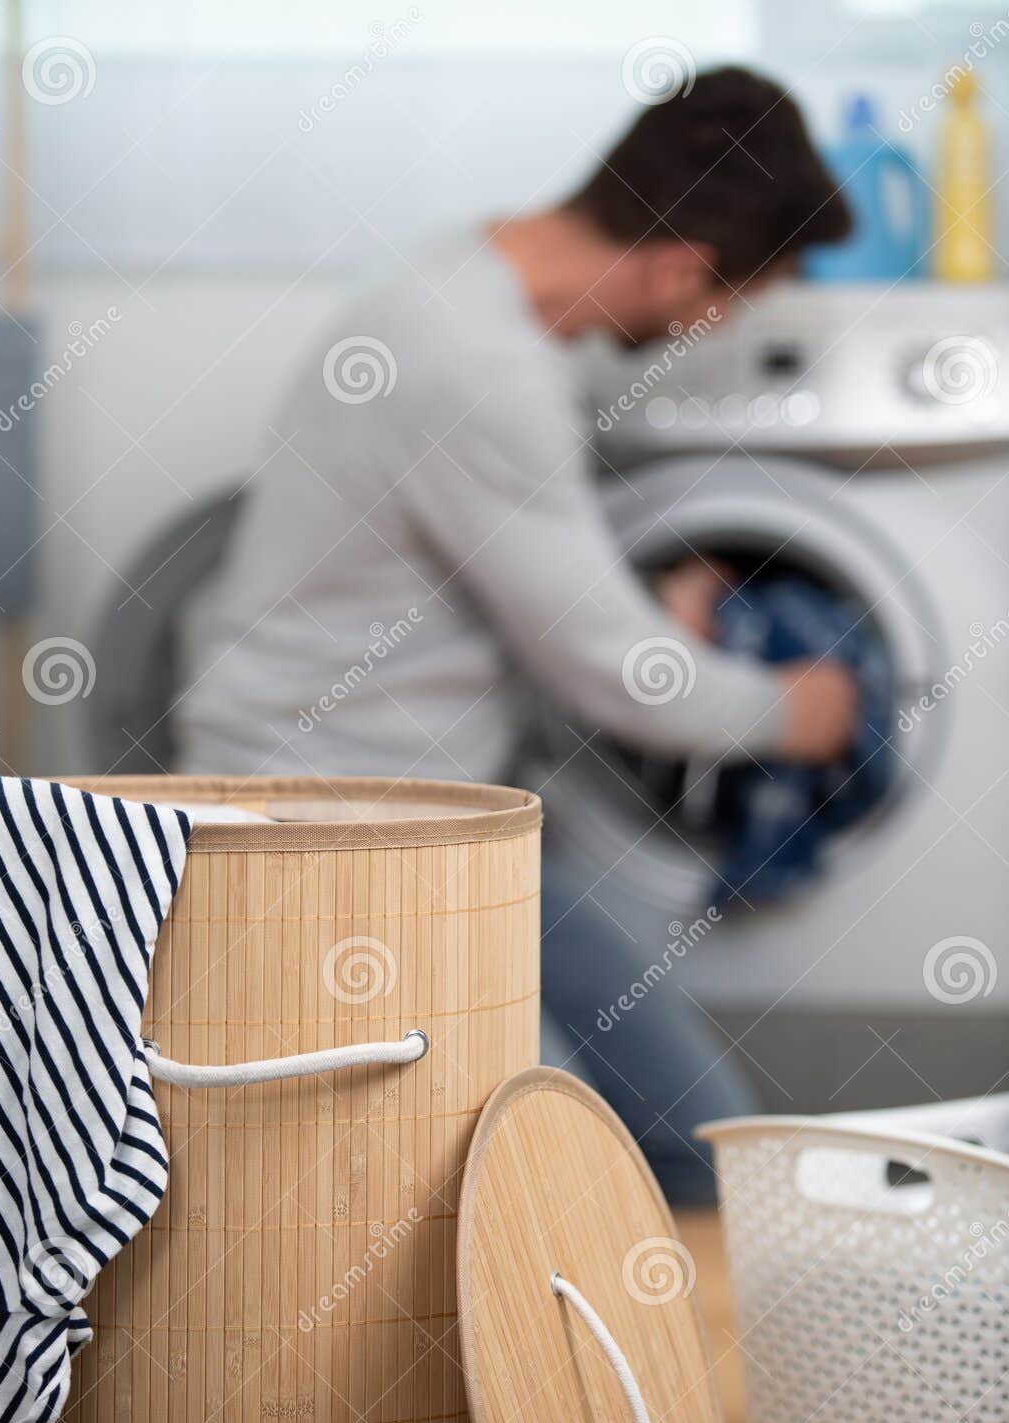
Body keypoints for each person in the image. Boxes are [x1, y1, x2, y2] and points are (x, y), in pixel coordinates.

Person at [176, 67, 856, 1203]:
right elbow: (614, 677)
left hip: (468, 819)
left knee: (708, 1154)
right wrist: (797, 710)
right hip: (333, 840)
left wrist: (651, 629)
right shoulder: (478, 366)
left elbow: (526, 604)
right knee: (558, 1185)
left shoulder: (469, 279)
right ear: (687, 266)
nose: (709, 328)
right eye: (731, 304)